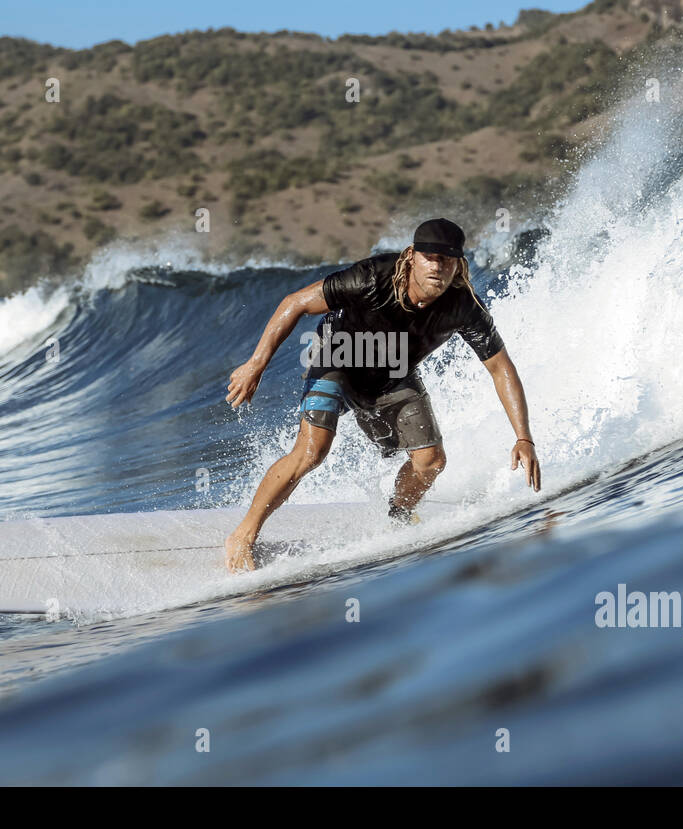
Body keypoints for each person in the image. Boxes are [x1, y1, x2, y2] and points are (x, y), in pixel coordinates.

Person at [223, 218, 540, 572]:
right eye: (430, 257)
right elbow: (295, 302)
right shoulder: (372, 277)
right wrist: (256, 364)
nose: (437, 266)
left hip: (392, 374)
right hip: (338, 357)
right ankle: (243, 535)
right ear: (412, 257)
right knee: (312, 451)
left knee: (431, 461)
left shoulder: (464, 307)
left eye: (447, 260)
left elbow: (501, 368)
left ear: (458, 265)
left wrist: (523, 436)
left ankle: (398, 517)